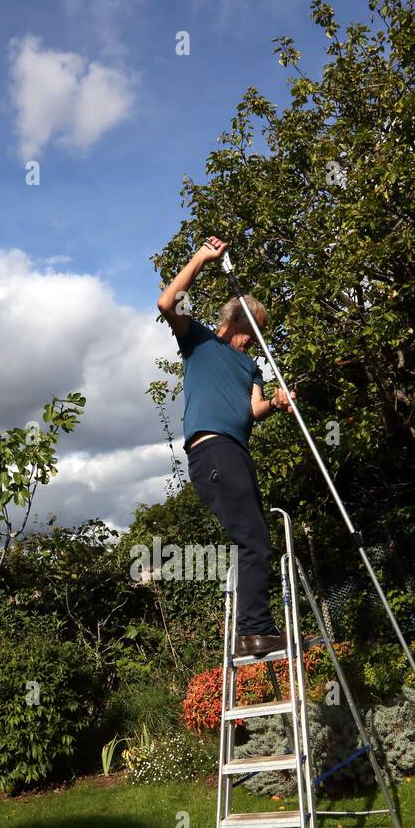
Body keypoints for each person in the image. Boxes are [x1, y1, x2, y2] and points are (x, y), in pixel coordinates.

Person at [157, 235, 296, 657]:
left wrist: (275, 401)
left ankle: (257, 627)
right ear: (236, 322)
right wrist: (202, 257)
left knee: (255, 537)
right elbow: (167, 304)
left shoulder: (250, 364)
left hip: (236, 452)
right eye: (253, 331)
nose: (255, 340)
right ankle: (255, 630)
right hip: (213, 451)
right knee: (254, 539)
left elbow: (252, 410)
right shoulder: (200, 341)